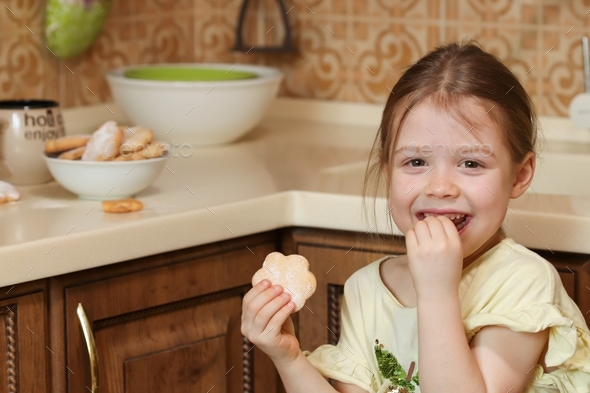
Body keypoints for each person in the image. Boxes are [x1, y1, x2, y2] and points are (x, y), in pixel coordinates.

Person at [241, 41, 590, 393]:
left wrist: (437, 291)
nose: (440, 187)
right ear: (388, 171)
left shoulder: (522, 283)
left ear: (519, 175)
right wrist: (288, 357)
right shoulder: (367, 290)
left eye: (471, 163)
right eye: (416, 162)